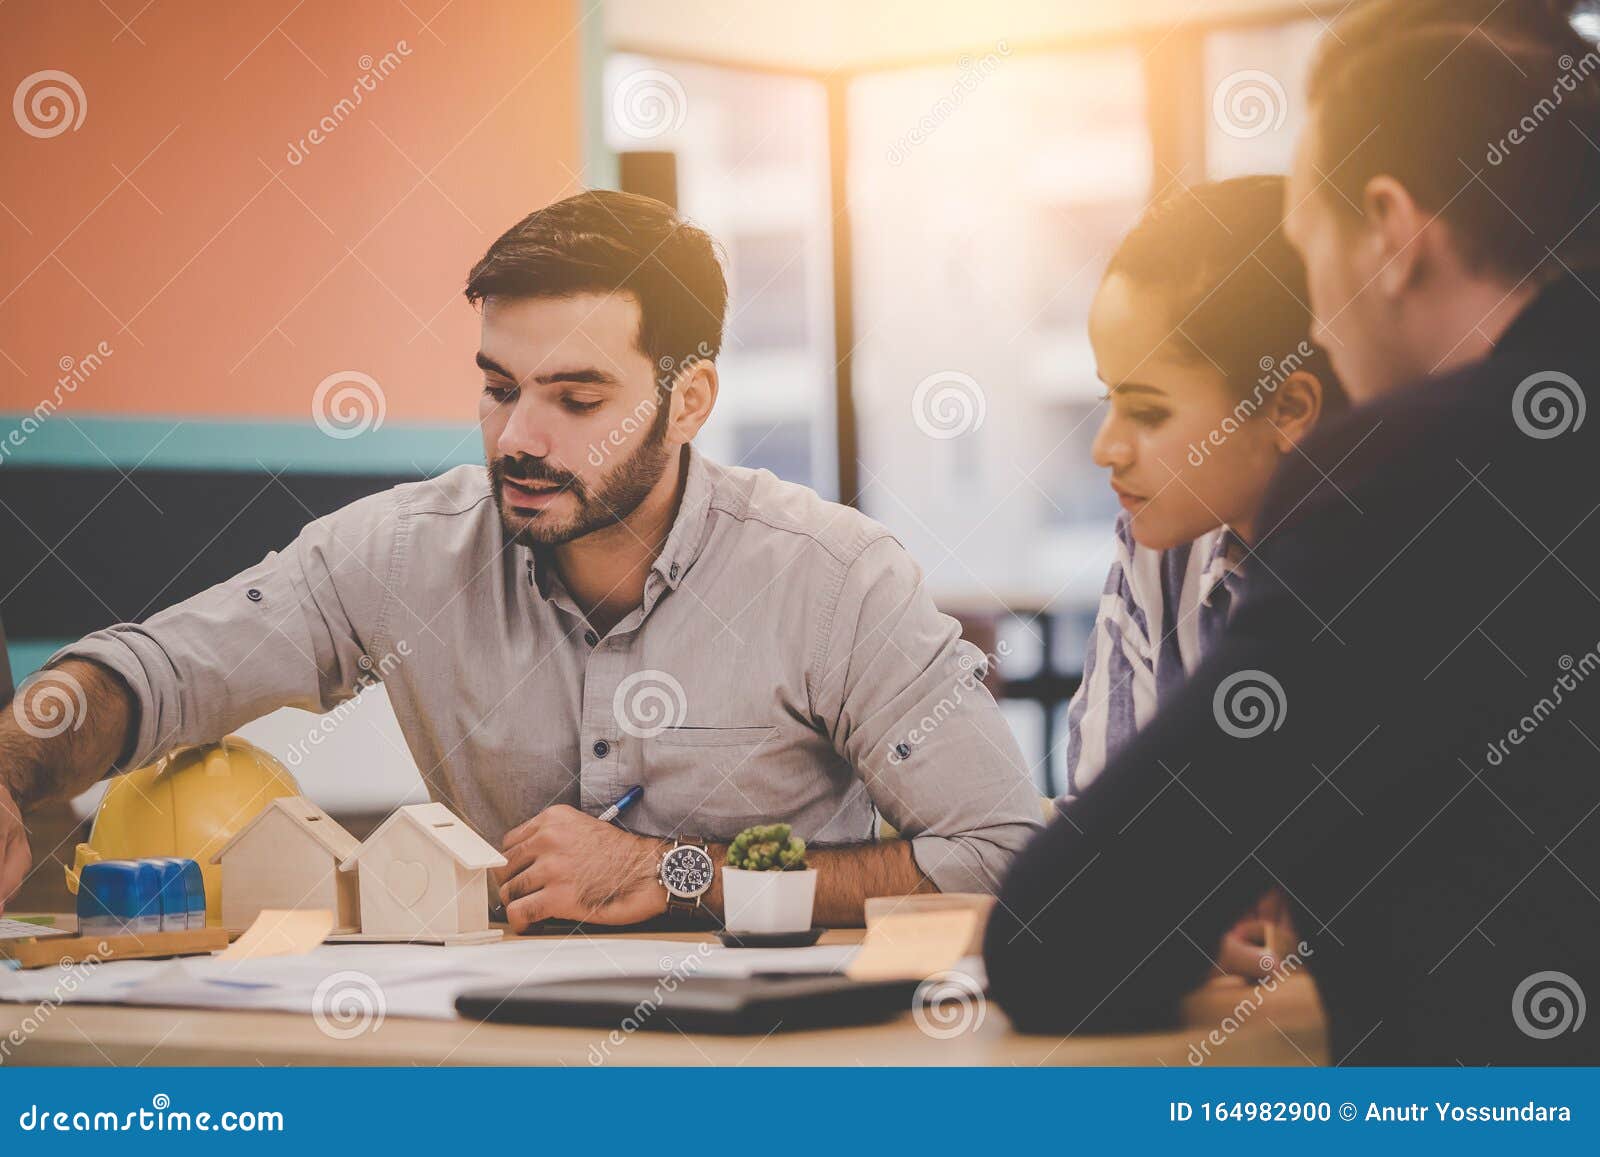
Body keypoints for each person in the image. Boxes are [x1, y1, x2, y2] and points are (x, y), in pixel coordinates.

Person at [0, 190, 1042, 928]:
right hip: (509, 1057)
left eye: (575, 399)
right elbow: (166, 672)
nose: (517, 439)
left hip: (781, 1068)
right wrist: (12, 766)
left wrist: (675, 872)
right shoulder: (405, 554)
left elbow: (998, 852)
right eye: (499, 387)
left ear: (688, 401)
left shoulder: (834, 578)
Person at [986, 0, 1600, 1064]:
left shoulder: (1408, 478)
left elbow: (1058, 932)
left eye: (1312, 252)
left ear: (1394, 236)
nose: (1313, 318)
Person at [1067, 176, 1343, 977]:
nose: (1106, 447)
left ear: (1288, 409)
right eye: (1108, 401)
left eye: (1147, 412)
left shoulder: (1399, 554)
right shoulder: (1160, 543)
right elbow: (1104, 849)